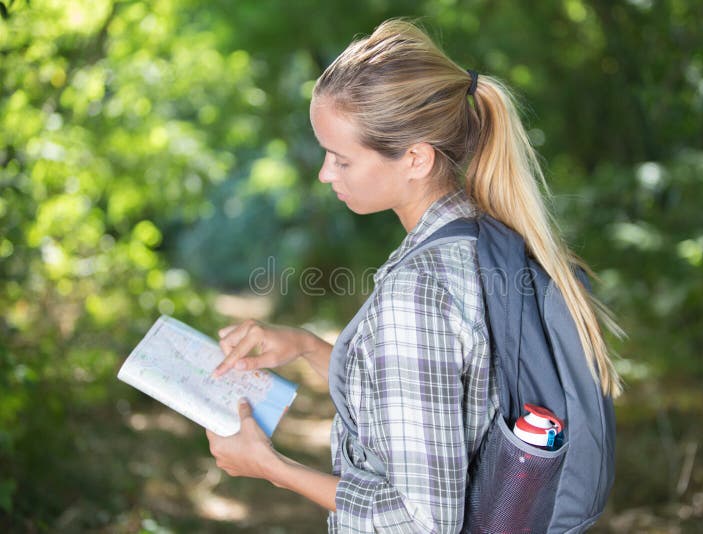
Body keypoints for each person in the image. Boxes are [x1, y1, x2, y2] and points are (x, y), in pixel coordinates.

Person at [206, 18, 621, 533]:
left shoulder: (419, 290)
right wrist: (308, 347)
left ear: (416, 159)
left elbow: (421, 521)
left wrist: (272, 468)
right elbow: (432, 405)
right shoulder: (478, 240)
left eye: (341, 159)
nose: (325, 173)